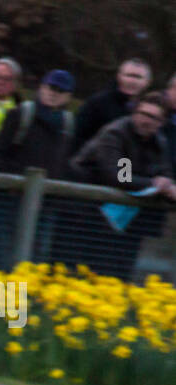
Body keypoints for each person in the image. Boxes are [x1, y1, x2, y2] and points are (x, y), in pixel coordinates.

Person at [68, 92, 176, 278]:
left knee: (117, 273)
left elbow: (164, 170)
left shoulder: (158, 141)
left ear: (161, 122)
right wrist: (155, 183)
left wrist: (167, 184)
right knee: (81, 271)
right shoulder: (117, 133)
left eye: (154, 117)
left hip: (120, 216)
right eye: (143, 114)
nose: (146, 120)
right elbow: (120, 176)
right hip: (85, 211)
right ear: (134, 112)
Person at [0, 70, 76, 265]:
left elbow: (66, 162)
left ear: (68, 96)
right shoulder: (20, 114)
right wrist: (11, 182)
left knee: (37, 257)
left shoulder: (68, 124)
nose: (54, 93)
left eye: (61, 91)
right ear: (42, 87)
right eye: (51, 87)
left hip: (46, 203)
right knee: (1, 255)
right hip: (10, 200)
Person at [73, 58, 151, 152]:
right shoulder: (97, 103)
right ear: (119, 76)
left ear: (147, 82)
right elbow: (77, 138)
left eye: (138, 77)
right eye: (129, 75)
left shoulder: (147, 111)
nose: (132, 81)